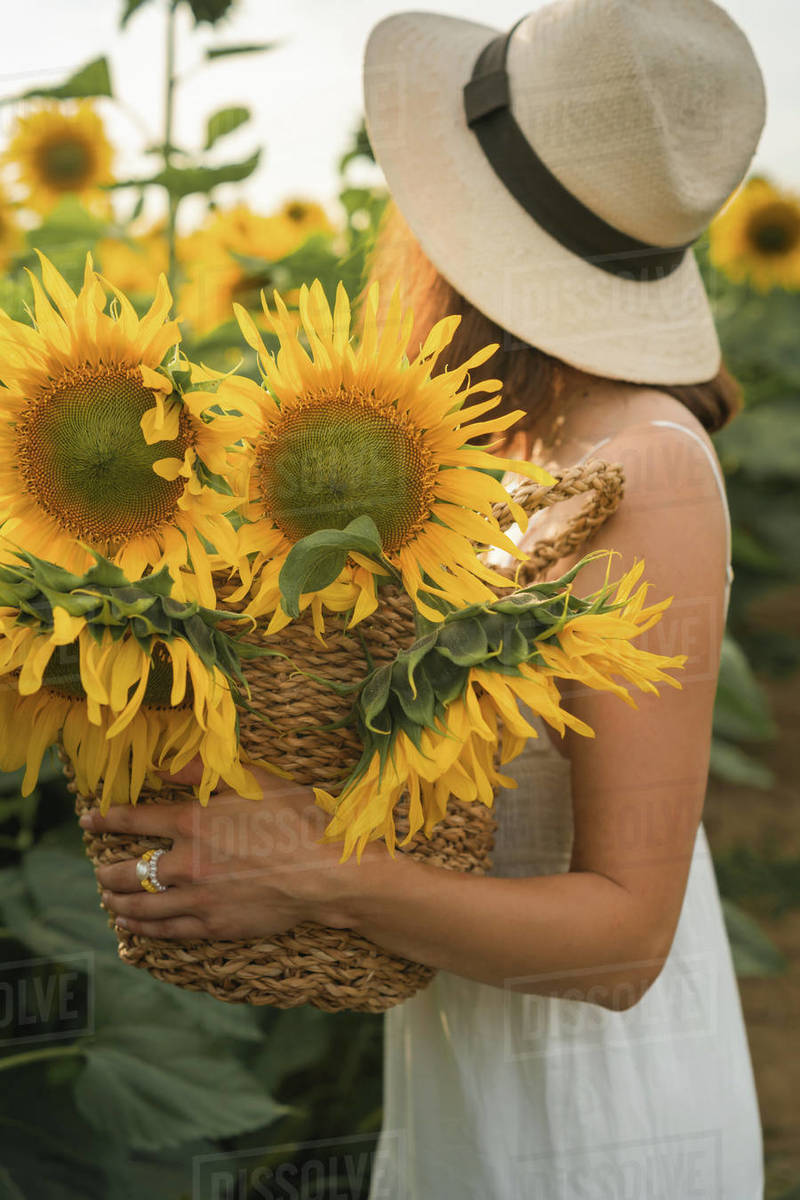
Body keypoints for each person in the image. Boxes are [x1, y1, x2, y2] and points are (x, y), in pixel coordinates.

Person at [83, 1, 766, 1195]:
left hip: (585, 1118)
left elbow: (621, 943)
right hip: (461, 1062)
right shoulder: (498, 435)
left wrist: (308, 872)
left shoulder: (644, 465)